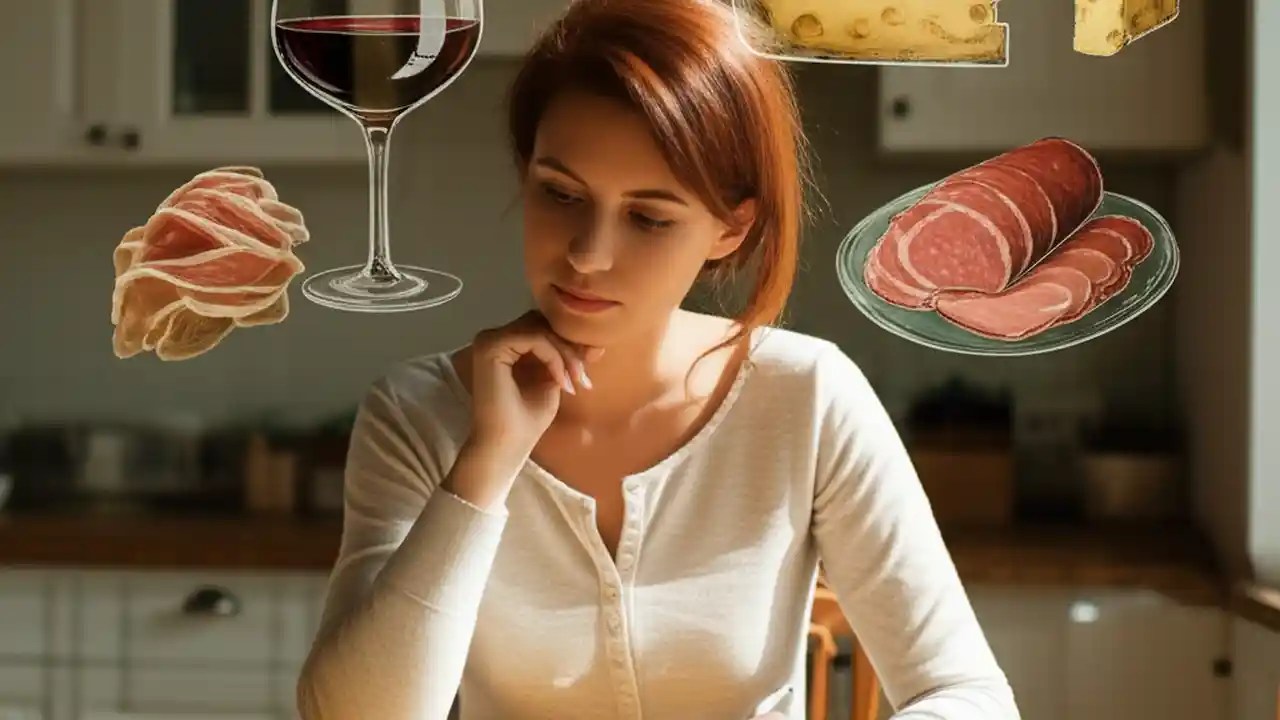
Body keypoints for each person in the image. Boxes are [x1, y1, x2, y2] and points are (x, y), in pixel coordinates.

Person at [295, 0, 1020, 718]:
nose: (587, 254)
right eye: (560, 193)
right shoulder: (415, 414)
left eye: (648, 217)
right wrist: (484, 466)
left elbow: (965, 694)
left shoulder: (808, 396)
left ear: (731, 229)